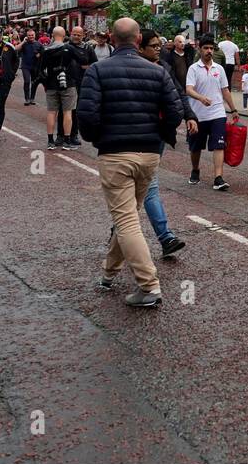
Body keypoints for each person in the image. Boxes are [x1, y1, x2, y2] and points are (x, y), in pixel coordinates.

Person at [78, 18, 183, 308]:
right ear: (138, 40)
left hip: (115, 154)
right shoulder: (157, 71)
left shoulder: (98, 70)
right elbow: (175, 112)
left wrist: (99, 138)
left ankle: (149, 286)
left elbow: (86, 115)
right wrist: (160, 135)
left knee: (125, 220)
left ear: (112, 38)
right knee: (129, 215)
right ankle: (109, 272)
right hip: (149, 154)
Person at [131, 29, 189, 259]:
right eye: (153, 45)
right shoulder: (134, 69)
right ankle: (165, 237)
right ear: (140, 47)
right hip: (133, 139)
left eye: (159, 45)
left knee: (142, 189)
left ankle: (121, 234)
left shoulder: (163, 68)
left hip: (155, 138)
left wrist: (189, 116)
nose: (158, 49)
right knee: (146, 189)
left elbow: (178, 95)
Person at [185, 35, 239, 191]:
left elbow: (225, 90)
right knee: (195, 147)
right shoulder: (193, 69)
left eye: (211, 48)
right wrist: (201, 98)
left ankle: (218, 178)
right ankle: (195, 170)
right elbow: (188, 89)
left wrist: (233, 110)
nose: (209, 51)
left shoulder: (219, 69)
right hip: (198, 115)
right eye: (206, 48)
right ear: (199, 49)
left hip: (217, 113)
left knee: (219, 145)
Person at [39, 27, 80, 150]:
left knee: (51, 112)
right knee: (68, 112)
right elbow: (82, 60)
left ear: (52, 35)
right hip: (67, 84)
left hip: (52, 85)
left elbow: (40, 70)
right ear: (64, 35)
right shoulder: (69, 48)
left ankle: (50, 141)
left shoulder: (46, 50)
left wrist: (47, 82)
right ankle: (67, 141)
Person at [18, 29, 42, 105]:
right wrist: (23, 42)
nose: (31, 37)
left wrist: (39, 55)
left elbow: (44, 53)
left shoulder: (38, 44)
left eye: (32, 35)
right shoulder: (24, 43)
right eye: (29, 35)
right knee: (27, 81)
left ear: (35, 35)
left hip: (35, 66)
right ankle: (27, 99)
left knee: (34, 83)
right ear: (26, 36)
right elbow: (16, 49)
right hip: (25, 66)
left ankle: (32, 98)